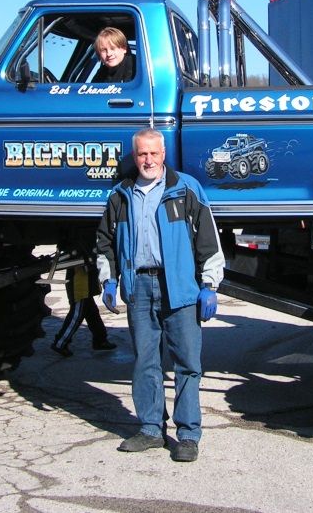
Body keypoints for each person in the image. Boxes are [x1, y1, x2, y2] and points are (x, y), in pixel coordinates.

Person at [96, 128, 224, 462]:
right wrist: (109, 280)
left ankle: (187, 435)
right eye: (142, 154)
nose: (148, 160)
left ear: (163, 154)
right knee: (145, 361)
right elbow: (104, 242)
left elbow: (208, 241)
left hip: (180, 287)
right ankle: (151, 429)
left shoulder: (185, 189)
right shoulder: (121, 195)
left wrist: (209, 285)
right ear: (134, 157)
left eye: (154, 153)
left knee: (187, 362)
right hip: (139, 287)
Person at [50, 260, 116, 357]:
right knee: (77, 312)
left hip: (85, 275)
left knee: (91, 311)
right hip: (80, 278)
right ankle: (60, 342)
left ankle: (100, 340)